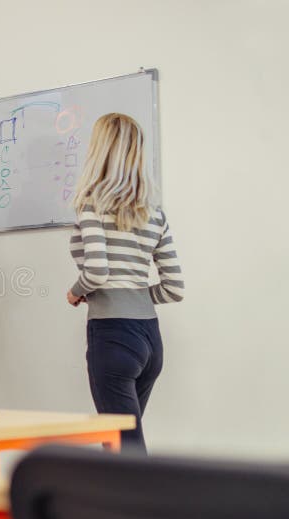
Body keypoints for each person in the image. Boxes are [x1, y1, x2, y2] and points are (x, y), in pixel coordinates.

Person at [67, 113, 184, 453]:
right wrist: (131, 294)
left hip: (114, 336)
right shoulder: (154, 213)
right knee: (121, 447)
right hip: (150, 340)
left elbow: (97, 271)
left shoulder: (91, 203)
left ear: (99, 149)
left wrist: (75, 292)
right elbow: (174, 287)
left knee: (124, 452)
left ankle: (150, 494)